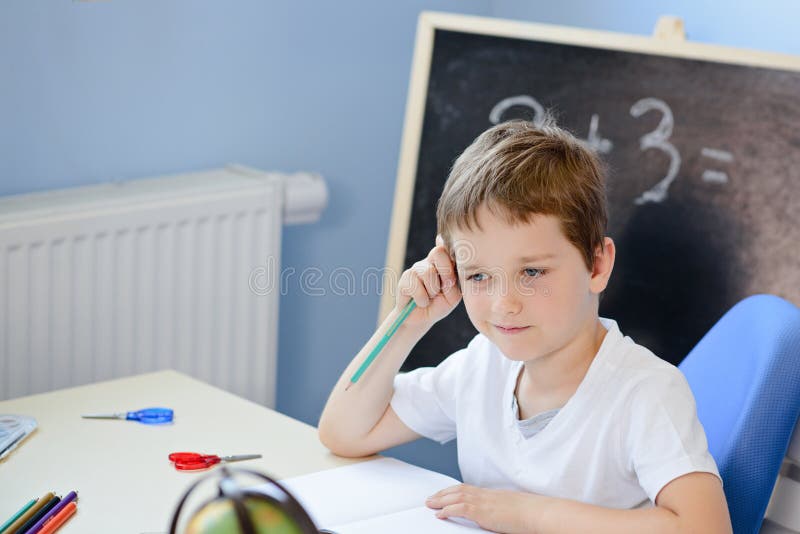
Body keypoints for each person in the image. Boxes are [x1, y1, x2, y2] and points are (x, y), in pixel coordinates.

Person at [318, 118, 732, 533]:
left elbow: (708, 528)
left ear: (598, 265)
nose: (504, 304)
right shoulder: (481, 366)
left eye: (532, 272)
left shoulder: (645, 392)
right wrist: (408, 321)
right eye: (478, 275)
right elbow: (344, 432)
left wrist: (526, 513)